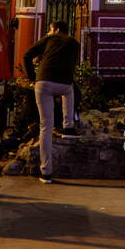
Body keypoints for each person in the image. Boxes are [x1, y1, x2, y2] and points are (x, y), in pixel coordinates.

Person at [23, 20, 81, 184]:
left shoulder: (49, 39)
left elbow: (27, 54)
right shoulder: (75, 43)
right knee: (69, 90)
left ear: (54, 29)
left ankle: (46, 173)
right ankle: (68, 126)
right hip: (64, 83)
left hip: (43, 82)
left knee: (45, 127)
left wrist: (32, 79)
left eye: (49, 30)